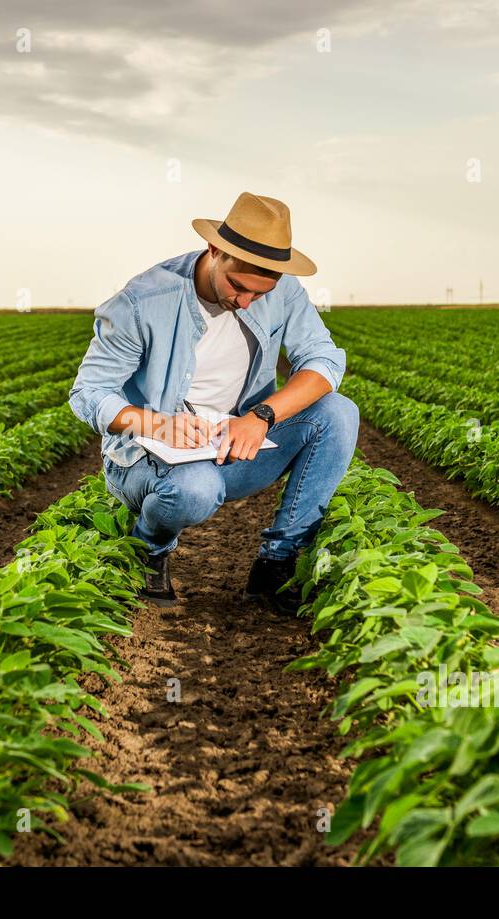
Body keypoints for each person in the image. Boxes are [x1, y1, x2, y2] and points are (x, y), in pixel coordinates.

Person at [68, 191, 359, 613]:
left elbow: (323, 361)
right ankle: (148, 550)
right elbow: (88, 392)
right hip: (148, 459)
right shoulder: (141, 302)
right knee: (196, 490)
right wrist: (154, 424)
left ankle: (276, 563)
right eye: (238, 286)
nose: (244, 302)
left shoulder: (283, 292)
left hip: (235, 445)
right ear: (215, 250)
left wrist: (262, 416)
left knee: (338, 412)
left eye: (259, 294)